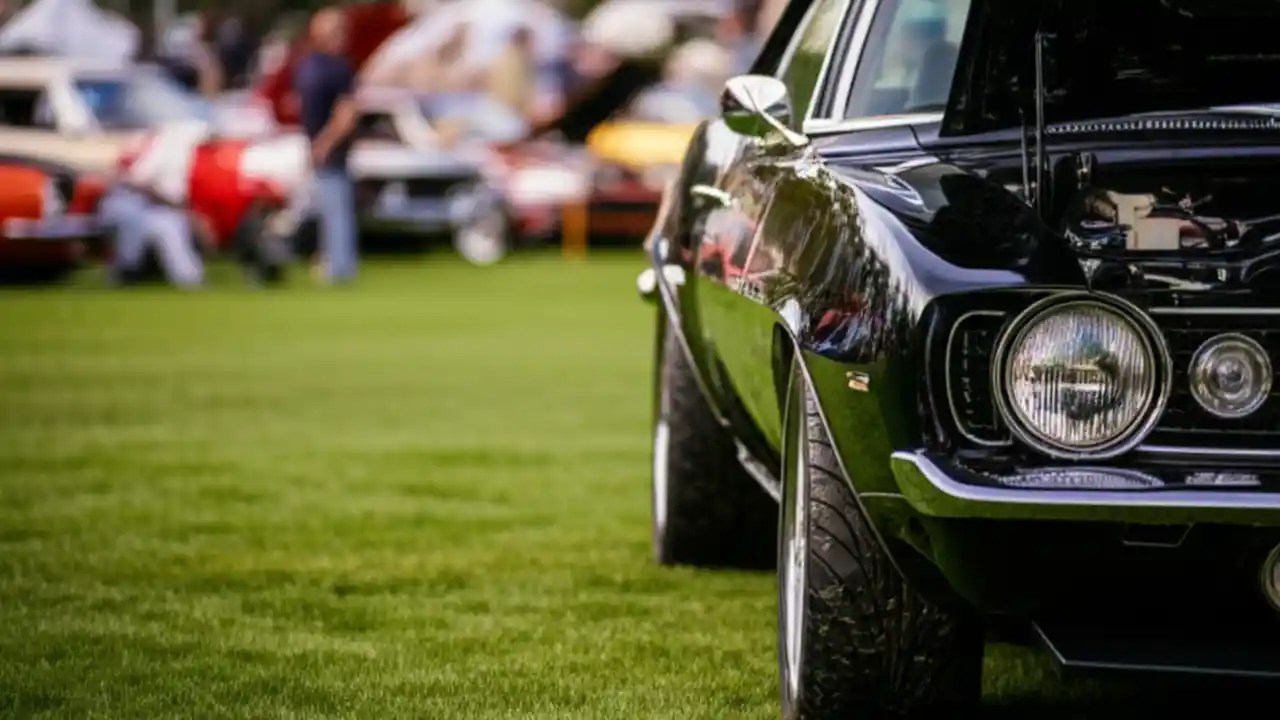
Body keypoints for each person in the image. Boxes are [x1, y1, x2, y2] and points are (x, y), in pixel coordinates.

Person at [294, 7, 359, 284]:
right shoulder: (313, 64)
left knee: (336, 210)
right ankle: (329, 261)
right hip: (315, 148)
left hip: (328, 152)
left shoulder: (337, 69)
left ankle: (338, 268)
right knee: (325, 210)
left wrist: (323, 143)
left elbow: (347, 113)